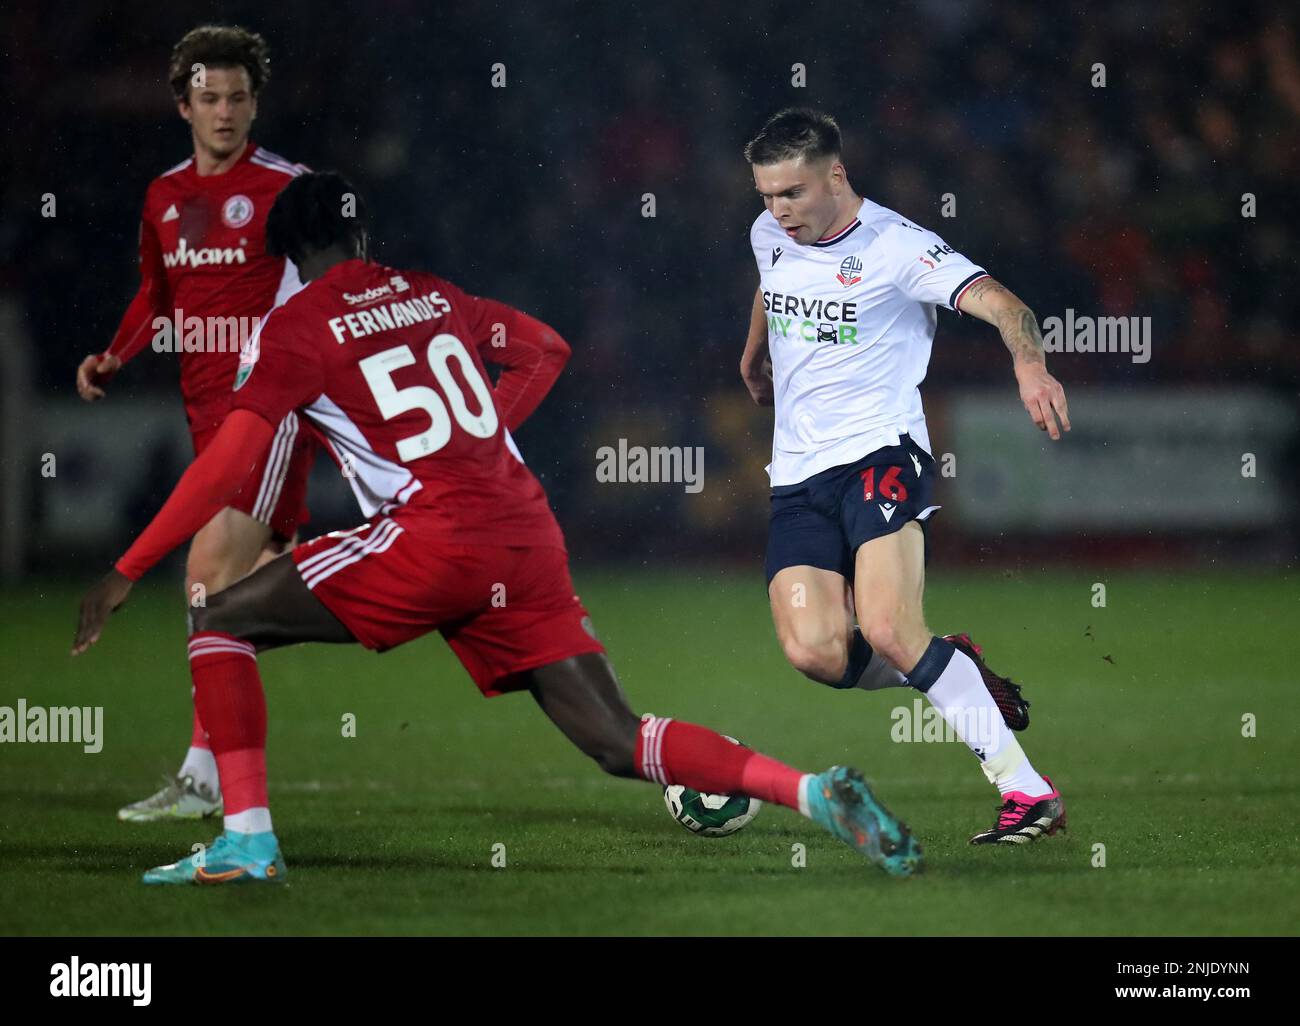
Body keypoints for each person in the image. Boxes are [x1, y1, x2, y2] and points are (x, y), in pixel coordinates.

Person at [73, 172, 925, 883]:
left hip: (433, 539)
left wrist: (128, 568)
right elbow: (545, 347)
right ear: (362, 234)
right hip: (523, 531)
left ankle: (248, 843)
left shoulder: (292, 328)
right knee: (617, 740)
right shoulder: (431, 295)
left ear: (285, 255)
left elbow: (226, 466)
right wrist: (483, 437)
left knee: (218, 620)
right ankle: (813, 792)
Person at [739, 108, 1068, 845]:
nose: (777, 210)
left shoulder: (898, 247)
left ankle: (1027, 793)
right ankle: (954, 665)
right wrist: (754, 353)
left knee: (887, 626)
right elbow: (772, 280)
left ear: (836, 174)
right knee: (815, 652)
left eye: (791, 192)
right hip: (796, 474)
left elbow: (1004, 305)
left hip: (880, 455)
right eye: (765, 195)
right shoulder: (770, 233)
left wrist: (1030, 362)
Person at [76, 25, 315, 823]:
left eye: (239, 98)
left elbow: (342, 279)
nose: (225, 112)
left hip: (271, 412)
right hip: (206, 415)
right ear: (183, 105)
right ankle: (376, 577)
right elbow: (157, 294)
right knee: (242, 593)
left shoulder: (290, 187)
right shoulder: (163, 197)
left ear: (256, 102)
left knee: (206, 574)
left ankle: (211, 782)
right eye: (210, 98)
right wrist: (114, 354)